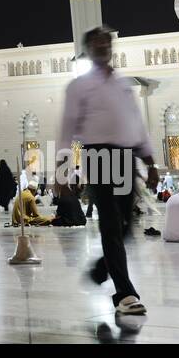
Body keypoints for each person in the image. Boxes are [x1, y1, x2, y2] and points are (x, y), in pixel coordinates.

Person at [59, 25, 158, 316]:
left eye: (107, 42)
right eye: (98, 43)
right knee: (112, 224)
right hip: (99, 156)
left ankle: (101, 268)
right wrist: (63, 172)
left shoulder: (122, 85)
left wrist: (150, 163)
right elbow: (66, 130)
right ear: (88, 49)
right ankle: (125, 293)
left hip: (126, 158)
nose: (104, 47)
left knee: (126, 225)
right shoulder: (79, 87)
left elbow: (136, 124)